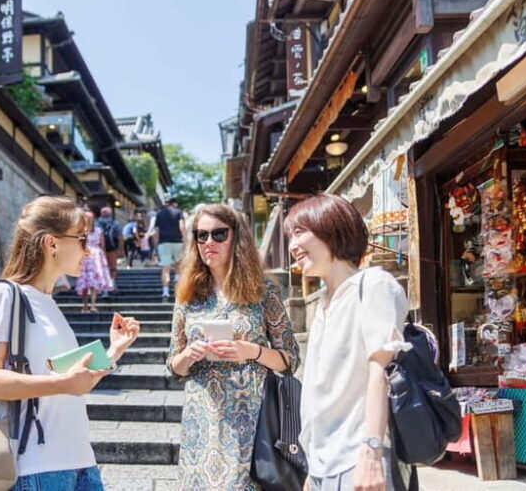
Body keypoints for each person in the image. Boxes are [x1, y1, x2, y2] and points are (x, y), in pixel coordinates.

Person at [0, 196, 140, 491]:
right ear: (52, 243)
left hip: (80, 460)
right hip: (36, 467)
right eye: (81, 239)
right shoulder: (5, 295)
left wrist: (115, 349)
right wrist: (62, 384)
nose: (88, 251)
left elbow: (73, 381)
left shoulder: (48, 302)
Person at [167, 203, 300, 490]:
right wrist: (188, 355)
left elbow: (290, 359)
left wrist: (250, 351)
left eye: (218, 234)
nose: (208, 243)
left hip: (251, 419)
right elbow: (173, 366)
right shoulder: (188, 296)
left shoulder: (264, 292)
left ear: (236, 238)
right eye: (201, 236)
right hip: (201, 420)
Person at [284, 193, 411, 491]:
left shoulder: (374, 286)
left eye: (300, 232)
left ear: (331, 228)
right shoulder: (326, 303)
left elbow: (379, 370)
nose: (292, 246)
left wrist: (371, 452)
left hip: (358, 459)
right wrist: (311, 468)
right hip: (322, 465)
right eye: (291, 235)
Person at [76, 211, 114, 312]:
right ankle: (92, 305)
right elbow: (103, 245)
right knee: (94, 282)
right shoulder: (98, 230)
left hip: (85, 255)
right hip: (96, 256)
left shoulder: (81, 231)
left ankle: (85, 305)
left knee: (85, 282)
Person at [149, 197, 185, 300]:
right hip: (177, 242)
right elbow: (182, 227)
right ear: (175, 204)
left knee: (166, 269)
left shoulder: (159, 214)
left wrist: (155, 247)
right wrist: (186, 242)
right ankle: (178, 290)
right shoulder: (178, 212)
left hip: (163, 243)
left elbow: (156, 231)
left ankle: (165, 292)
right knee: (179, 267)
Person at [96, 207, 121, 292]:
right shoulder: (115, 223)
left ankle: (103, 285)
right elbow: (120, 237)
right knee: (112, 267)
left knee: (102, 267)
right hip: (112, 248)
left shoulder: (96, 223)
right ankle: (112, 283)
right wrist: (121, 249)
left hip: (99, 250)